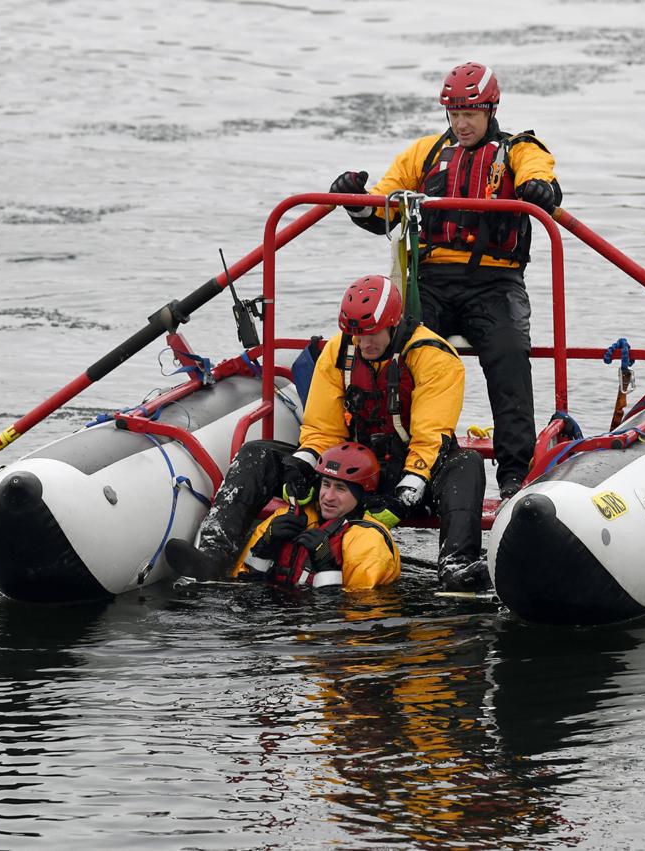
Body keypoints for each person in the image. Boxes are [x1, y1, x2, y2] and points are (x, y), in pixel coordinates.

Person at [164, 274, 491, 591]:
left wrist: (404, 497)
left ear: (393, 323)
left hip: (407, 475)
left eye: (371, 334)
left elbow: (431, 439)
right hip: (350, 473)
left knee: (466, 464)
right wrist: (304, 467)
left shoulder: (434, 357)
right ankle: (213, 552)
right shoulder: (338, 353)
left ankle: (455, 566)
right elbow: (322, 430)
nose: (363, 343)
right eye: (357, 335)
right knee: (257, 453)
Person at [328, 61, 561, 499]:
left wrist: (539, 191)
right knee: (397, 349)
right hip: (430, 281)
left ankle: (515, 472)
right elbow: (385, 209)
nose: (461, 123)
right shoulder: (425, 154)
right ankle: (393, 454)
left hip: (495, 283)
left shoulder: (519, 150)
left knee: (508, 354)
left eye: (469, 114)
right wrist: (357, 201)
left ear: (491, 110)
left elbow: (540, 174)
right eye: (453, 114)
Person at [226, 442, 400, 589]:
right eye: (326, 484)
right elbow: (242, 586)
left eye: (340, 488)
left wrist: (327, 567)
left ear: (362, 495)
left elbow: (357, 617)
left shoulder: (368, 543)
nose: (328, 496)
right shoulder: (285, 517)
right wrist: (264, 548)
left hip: (321, 622)